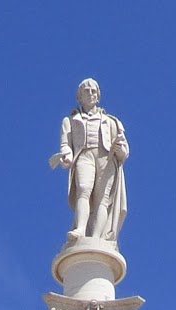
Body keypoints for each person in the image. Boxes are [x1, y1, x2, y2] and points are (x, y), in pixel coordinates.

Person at [52, 78, 129, 244]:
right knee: (83, 189)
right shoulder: (70, 121)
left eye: (94, 91)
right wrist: (66, 156)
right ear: (79, 96)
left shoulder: (112, 121)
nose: (91, 93)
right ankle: (80, 228)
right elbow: (66, 145)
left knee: (103, 199)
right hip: (85, 156)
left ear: (98, 96)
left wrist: (120, 150)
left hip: (106, 158)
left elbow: (124, 151)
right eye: (86, 91)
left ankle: (96, 237)